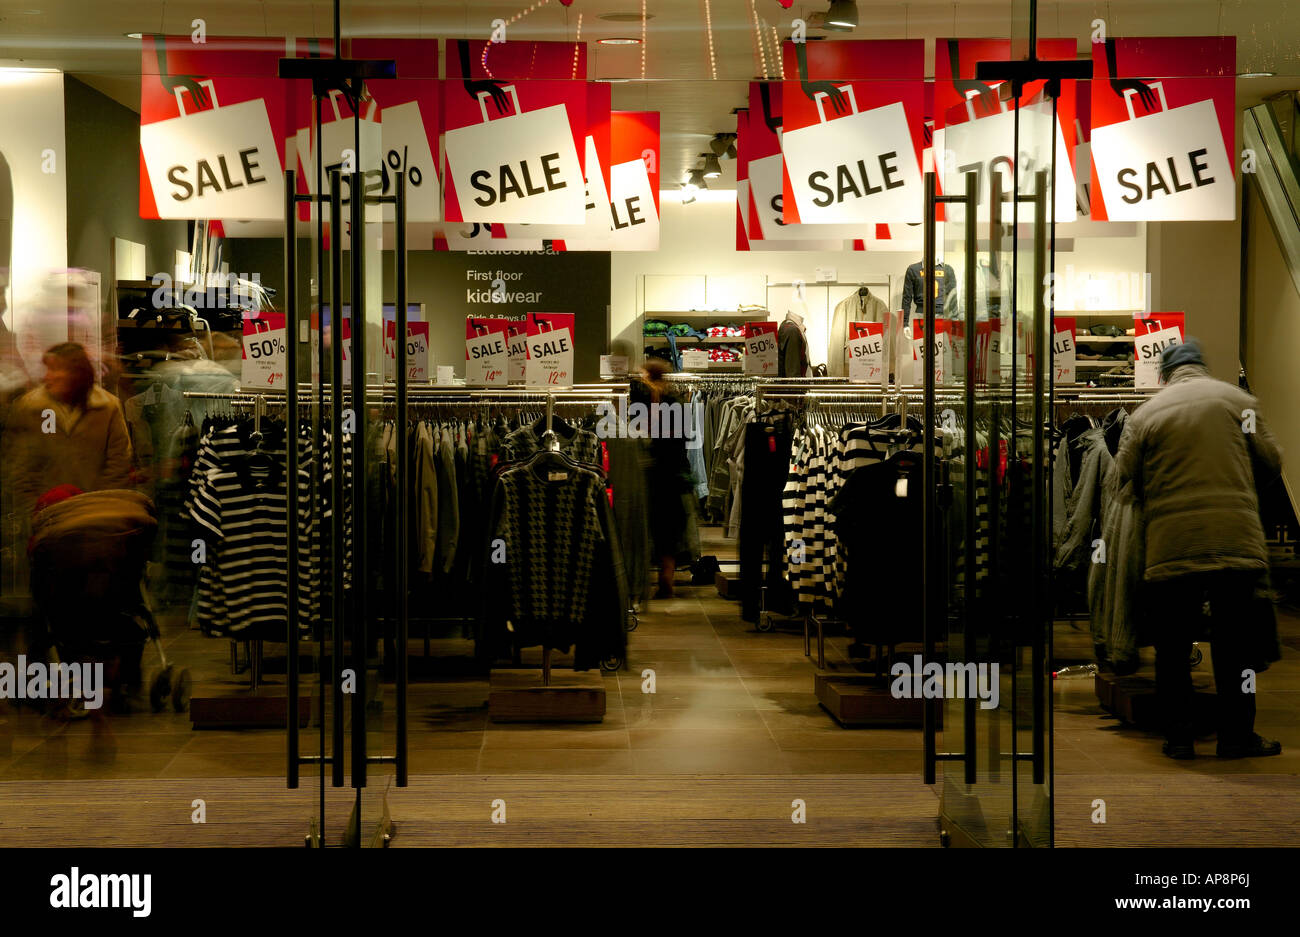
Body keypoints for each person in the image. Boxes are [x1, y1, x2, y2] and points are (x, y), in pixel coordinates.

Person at [1113, 338, 1284, 760]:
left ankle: (1179, 738)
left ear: (1165, 374)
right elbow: (1271, 462)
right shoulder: (1237, 401)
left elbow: (1121, 476)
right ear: (1201, 368)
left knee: (1173, 649)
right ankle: (1237, 736)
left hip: (1173, 546)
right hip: (1234, 540)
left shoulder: (1145, 415)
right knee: (1236, 649)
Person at [5, 342, 133, 517]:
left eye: (55, 370)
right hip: (45, 517)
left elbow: (119, 465)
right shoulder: (31, 407)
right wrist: (35, 514)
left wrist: (100, 509)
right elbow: (20, 471)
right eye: (47, 370)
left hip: (94, 515)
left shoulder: (108, 407)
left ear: (78, 373)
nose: (47, 377)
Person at [633, 359, 694, 598]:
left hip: (651, 473)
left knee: (654, 527)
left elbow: (638, 436)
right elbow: (684, 439)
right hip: (673, 473)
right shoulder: (676, 403)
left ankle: (654, 577)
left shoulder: (642, 403)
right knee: (670, 528)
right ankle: (666, 576)